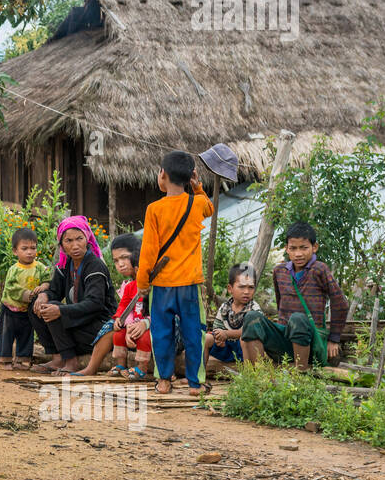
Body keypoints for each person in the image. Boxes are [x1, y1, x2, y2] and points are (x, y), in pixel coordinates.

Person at [135, 150, 215, 396]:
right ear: (190, 176)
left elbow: (148, 249)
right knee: (194, 333)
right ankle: (195, 383)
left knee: (162, 333)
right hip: (190, 284)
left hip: (162, 285)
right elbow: (210, 208)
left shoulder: (154, 209)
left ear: (163, 175)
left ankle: (163, 381)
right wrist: (198, 187)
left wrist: (142, 281)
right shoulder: (197, 203)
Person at [240, 222, 349, 370]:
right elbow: (281, 304)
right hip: (285, 341)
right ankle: (258, 374)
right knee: (252, 318)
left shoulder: (319, 269)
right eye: (293, 248)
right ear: (286, 249)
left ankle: (300, 374)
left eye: (304, 248)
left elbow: (340, 303)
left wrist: (334, 339)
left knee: (298, 318)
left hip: (311, 342)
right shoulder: (279, 271)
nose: (298, 254)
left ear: (314, 247)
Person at [31, 216, 113, 373]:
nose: (75, 245)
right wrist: (43, 295)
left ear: (87, 238)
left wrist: (61, 311)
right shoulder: (65, 264)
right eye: (68, 241)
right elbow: (54, 291)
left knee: (54, 309)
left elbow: (95, 304)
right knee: (38, 304)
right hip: (79, 325)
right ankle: (58, 357)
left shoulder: (94, 266)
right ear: (62, 244)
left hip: (99, 329)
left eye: (79, 239)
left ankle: (71, 361)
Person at [73, 233, 152, 378]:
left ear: (137, 255)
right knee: (114, 330)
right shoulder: (128, 286)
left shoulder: (153, 283)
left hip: (151, 324)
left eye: (124, 257)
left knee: (144, 336)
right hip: (133, 323)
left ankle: (143, 367)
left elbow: (160, 311)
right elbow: (123, 306)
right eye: (116, 260)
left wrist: (144, 324)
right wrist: (119, 319)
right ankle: (116, 365)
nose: (120, 264)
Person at [0, 227, 50, 369]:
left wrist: (44, 286)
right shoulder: (14, 269)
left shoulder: (40, 267)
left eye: (33, 248)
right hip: (10, 309)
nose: (29, 252)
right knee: (6, 334)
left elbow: (47, 280)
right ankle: (6, 360)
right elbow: (11, 288)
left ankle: (22, 359)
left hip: (27, 310)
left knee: (27, 335)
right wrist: (28, 294)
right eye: (24, 248)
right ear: (15, 251)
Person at [203, 262, 262, 373]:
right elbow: (217, 327)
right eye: (242, 287)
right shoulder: (225, 307)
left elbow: (250, 331)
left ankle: (249, 375)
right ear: (230, 289)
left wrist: (227, 334)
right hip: (226, 347)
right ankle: (198, 374)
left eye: (251, 287)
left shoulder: (254, 308)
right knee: (206, 338)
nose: (246, 292)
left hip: (245, 350)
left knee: (245, 338)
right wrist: (219, 338)